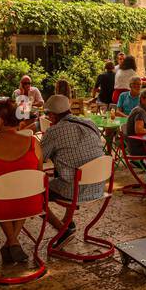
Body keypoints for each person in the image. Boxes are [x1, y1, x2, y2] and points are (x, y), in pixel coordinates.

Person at [0, 98, 43, 267]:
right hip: (31, 204)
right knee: (22, 192)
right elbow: (39, 172)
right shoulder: (33, 144)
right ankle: (11, 243)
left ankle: (12, 242)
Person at [39, 94, 107, 242]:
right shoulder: (89, 123)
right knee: (70, 168)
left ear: (52, 115)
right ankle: (68, 220)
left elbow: (39, 158)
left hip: (76, 190)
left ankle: (63, 230)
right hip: (99, 186)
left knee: (34, 195)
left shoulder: (54, 131)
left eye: (47, 114)